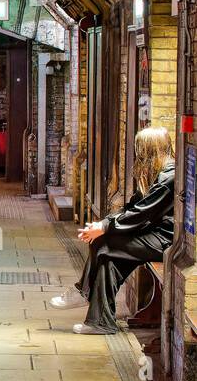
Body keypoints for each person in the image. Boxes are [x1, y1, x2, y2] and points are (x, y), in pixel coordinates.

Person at [50, 126, 175, 334]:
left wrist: (104, 228)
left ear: (150, 150)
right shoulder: (158, 174)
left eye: (140, 150)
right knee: (109, 259)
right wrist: (103, 224)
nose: (137, 155)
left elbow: (141, 213)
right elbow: (132, 207)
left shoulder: (168, 178)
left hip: (165, 240)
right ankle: (100, 322)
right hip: (152, 234)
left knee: (103, 243)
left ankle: (83, 291)